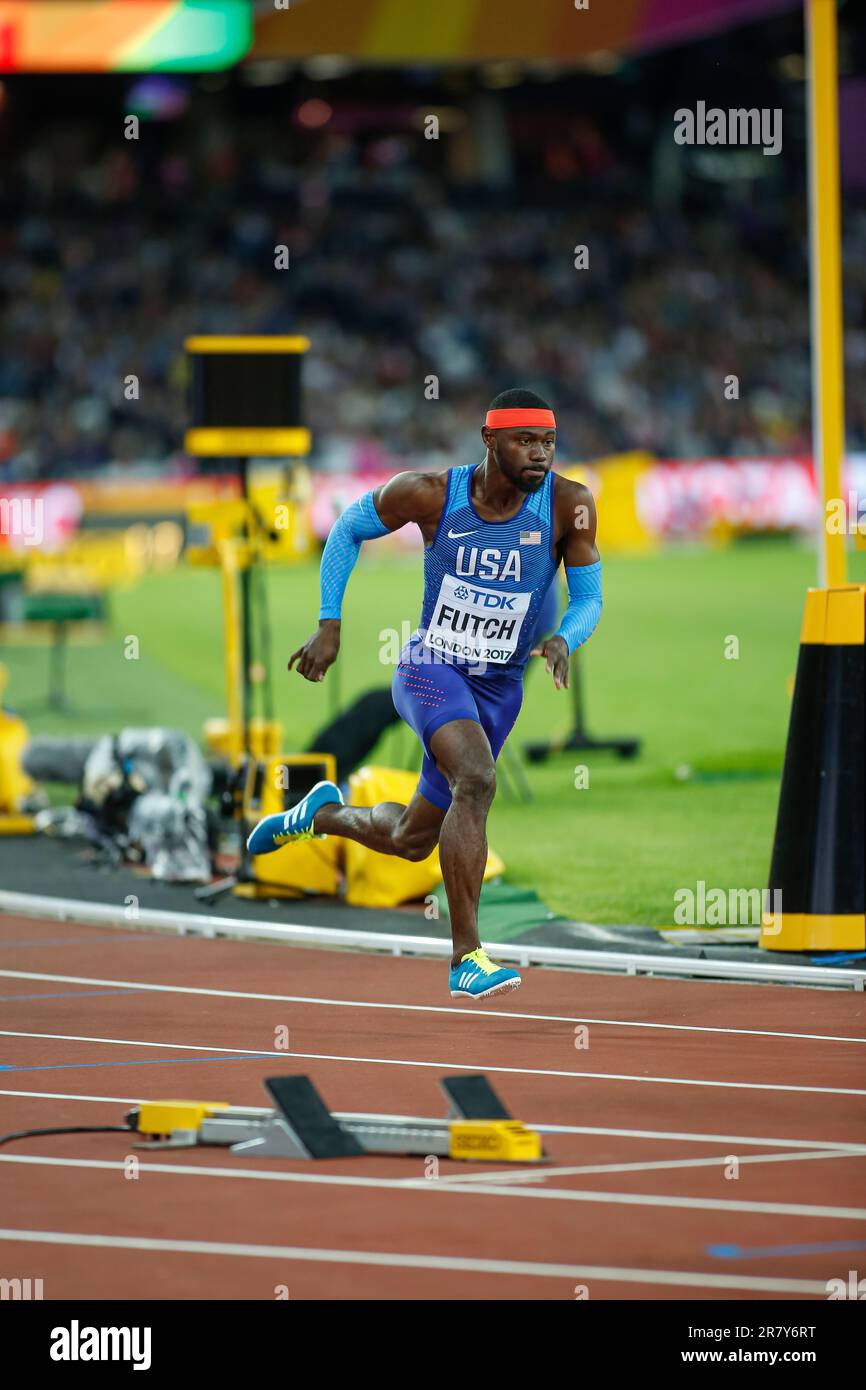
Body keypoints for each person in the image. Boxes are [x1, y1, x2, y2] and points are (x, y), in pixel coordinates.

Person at [248, 389, 602, 999]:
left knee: (412, 839)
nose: (541, 454)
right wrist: (330, 623)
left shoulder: (570, 505)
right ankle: (467, 955)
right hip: (429, 668)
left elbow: (590, 596)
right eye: (525, 441)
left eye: (548, 441)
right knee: (479, 779)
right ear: (489, 440)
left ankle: (321, 814)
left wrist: (566, 637)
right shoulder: (432, 494)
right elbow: (346, 529)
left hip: (499, 690)